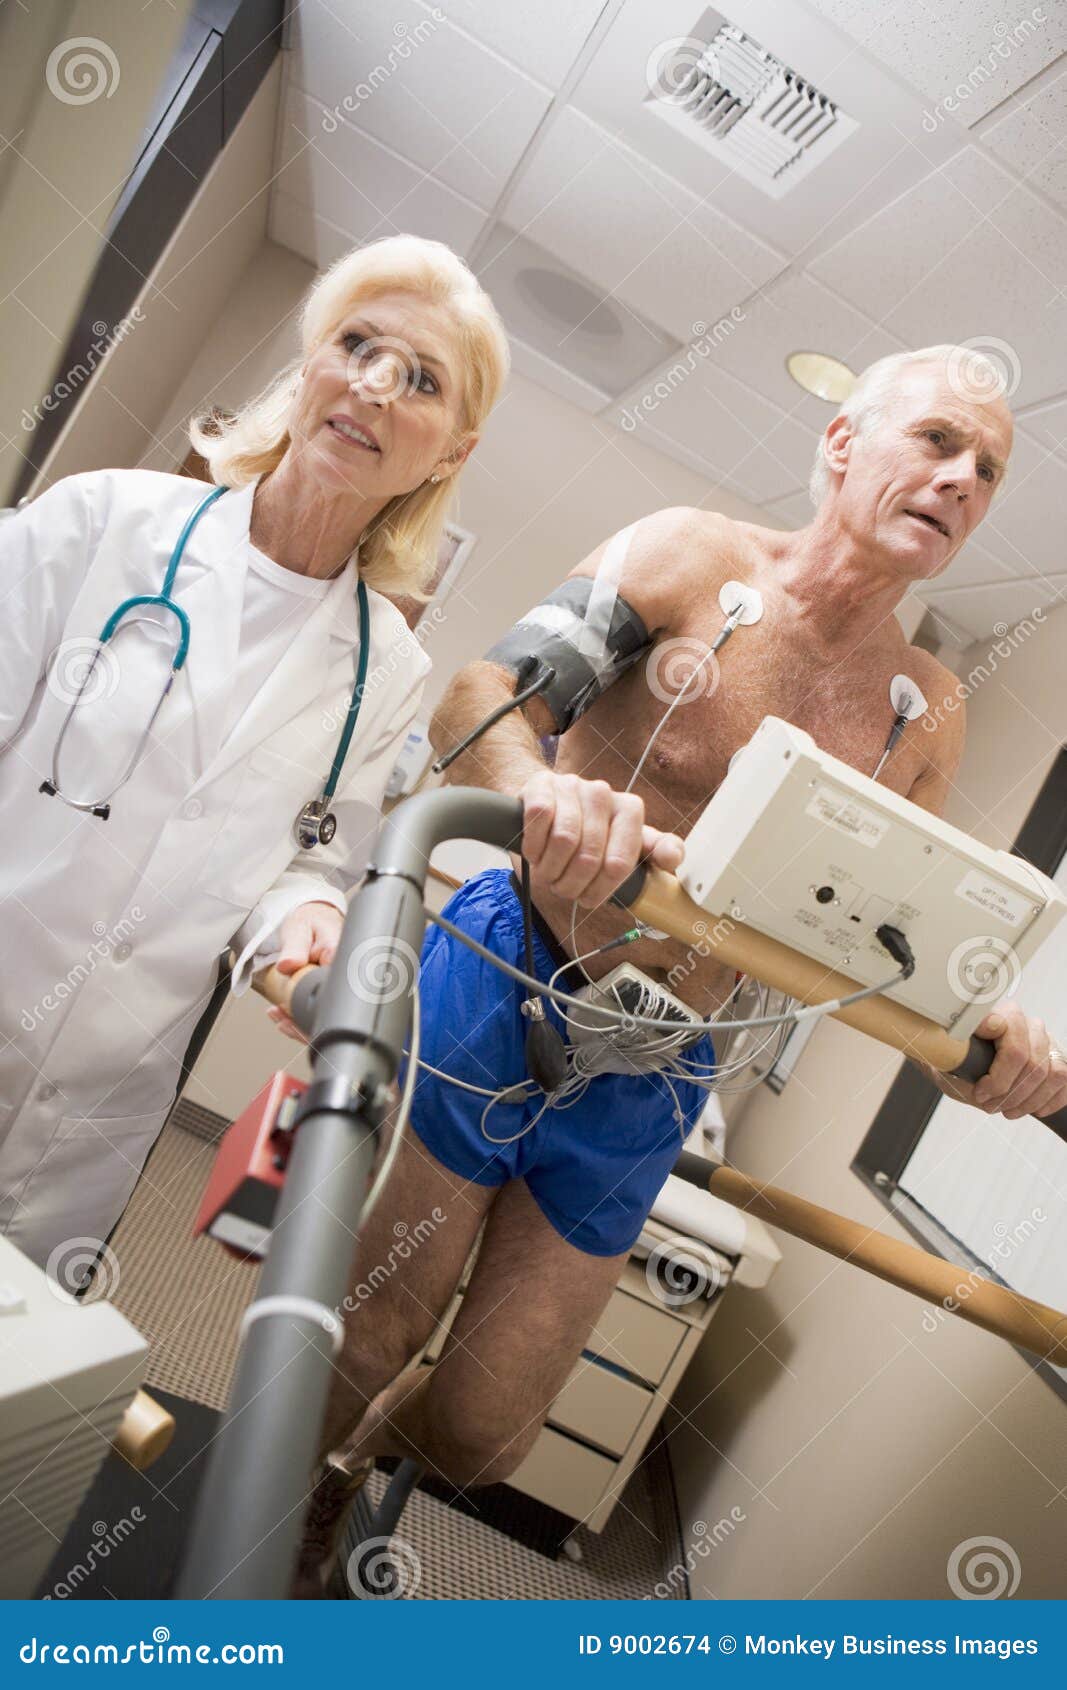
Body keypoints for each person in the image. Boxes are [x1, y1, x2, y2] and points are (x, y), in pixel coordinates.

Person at [288, 343, 1067, 1593]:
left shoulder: (923, 707)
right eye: (934, 441)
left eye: (987, 468)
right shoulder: (688, 561)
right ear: (840, 446)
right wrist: (546, 798)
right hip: (516, 964)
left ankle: (343, 1476)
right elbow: (481, 703)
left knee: (489, 1432)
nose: (961, 478)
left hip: (654, 1064)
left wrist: (993, 1034)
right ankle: (243, 1573)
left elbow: (893, 944)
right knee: (371, 1320)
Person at [0, 233, 509, 1276]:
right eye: (356, 345)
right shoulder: (102, 522)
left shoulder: (388, 666)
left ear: (449, 452)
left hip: (97, 1103)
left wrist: (312, 925)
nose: (372, 386)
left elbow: (311, 858)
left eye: (420, 380)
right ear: (310, 364)